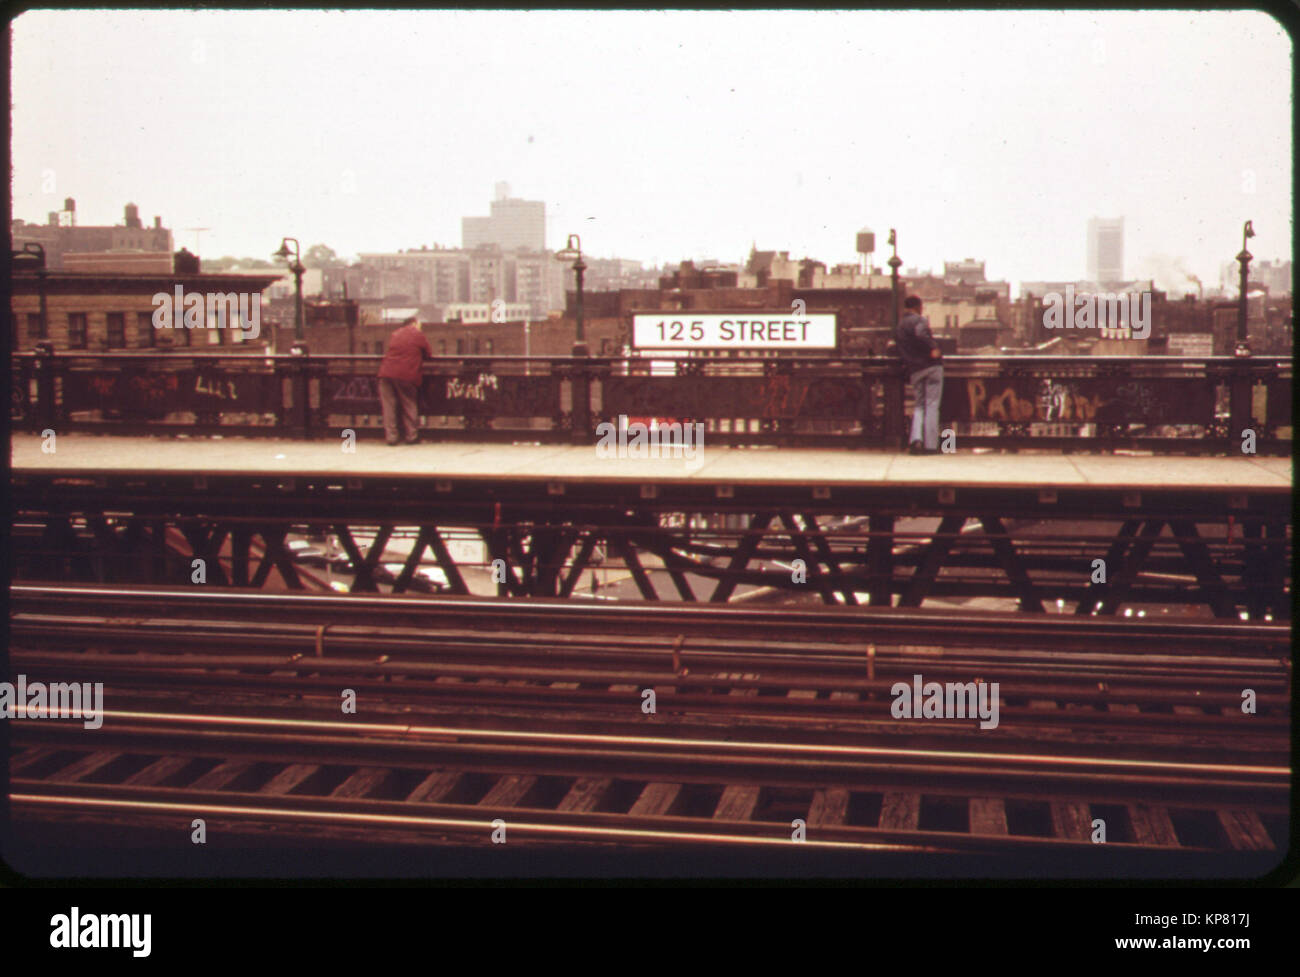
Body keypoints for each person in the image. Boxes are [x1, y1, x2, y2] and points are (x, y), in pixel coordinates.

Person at [896, 295, 943, 454]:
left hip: (914, 369)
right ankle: (931, 445)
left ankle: (916, 440)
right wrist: (933, 347)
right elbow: (921, 334)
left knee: (919, 406)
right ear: (918, 306)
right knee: (932, 405)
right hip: (931, 367)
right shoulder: (920, 320)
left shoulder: (900, 325)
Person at [376, 315, 432, 445]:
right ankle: (411, 436)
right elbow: (428, 353)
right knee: (409, 404)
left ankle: (391, 437)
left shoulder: (395, 334)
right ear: (414, 324)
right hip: (406, 375)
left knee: (389, 407)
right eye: (419, 325)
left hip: (386, 373)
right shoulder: (417, 334)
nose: (420, 327)